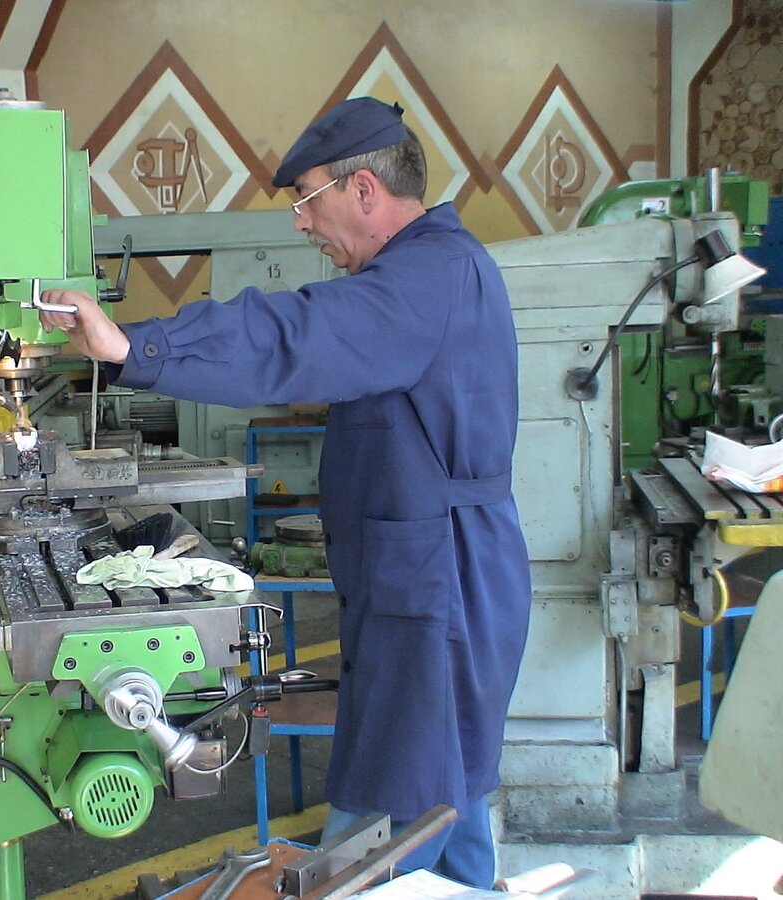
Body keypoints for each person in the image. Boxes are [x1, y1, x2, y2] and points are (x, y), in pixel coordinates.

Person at [38, 97, 531, 888]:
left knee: (390, 817)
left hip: (442, 588)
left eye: (307, 200)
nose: (303, 224)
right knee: (451, 795)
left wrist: (137, 346)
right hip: (424, 579)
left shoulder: (428, 275)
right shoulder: (424, 273)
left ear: (363, 189)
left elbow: (293, 336)